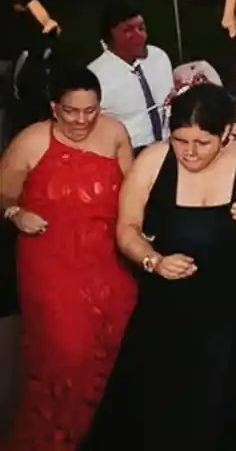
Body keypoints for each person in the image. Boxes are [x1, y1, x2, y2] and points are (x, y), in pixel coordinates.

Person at [83, 83, 236, 451]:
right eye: (180, 140)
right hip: (166, 313)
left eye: (202, 143)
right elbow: (127, 228)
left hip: (235, 316)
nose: (189, 152)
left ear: (225, 133)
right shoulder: (153, 161)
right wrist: (153, 261)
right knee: (150, 417)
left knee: (219, 417)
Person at [0, 67, 135, 450]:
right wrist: (15, 214)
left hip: (109, 261)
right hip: (51, 263)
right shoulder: (30, 142)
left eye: (90, 111)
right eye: (72, 112)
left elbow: (133, 191)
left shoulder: (114, 134)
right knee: (66, 352)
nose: (82, 121)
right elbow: (4, 194)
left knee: (113, 348)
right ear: (54, 108)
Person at [88, 1, 174, 153]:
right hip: (127, 155)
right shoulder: (96, 76)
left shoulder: (158, 57)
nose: (140, 35)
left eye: (141, 28)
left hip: (170, 148)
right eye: (128, 31)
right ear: (110, 36)